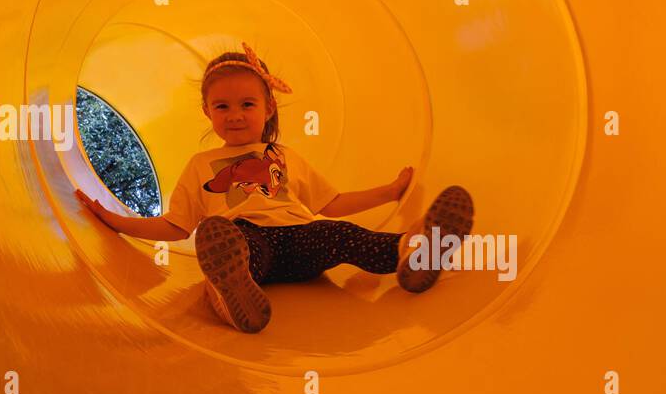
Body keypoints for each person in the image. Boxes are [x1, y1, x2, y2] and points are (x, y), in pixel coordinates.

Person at [74, 42, 473, 333]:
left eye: (247, 104)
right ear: (206, 112)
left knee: (342, 235)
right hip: (250, 242)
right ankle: (229, 292)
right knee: (229, 241)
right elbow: (176, 227)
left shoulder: (284, 155)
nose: (234, 115)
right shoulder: (200, 166)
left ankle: (412, 251)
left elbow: (331, 203)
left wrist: (389, 191)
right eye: (222, 106)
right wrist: (115, 221)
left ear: (268, 108)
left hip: (301, 238)